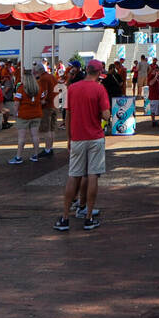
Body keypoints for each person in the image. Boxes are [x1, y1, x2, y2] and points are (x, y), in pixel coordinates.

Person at [55, 59, 110, 231]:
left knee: (74, 175)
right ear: (99, 73)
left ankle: (65, 218)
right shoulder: (100, 89)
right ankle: (88, 216)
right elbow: (106, 115)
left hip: (77, 137)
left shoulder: (73, 88)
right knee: (93, 175)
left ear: (86, 70)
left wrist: (69, 138)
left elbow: (68, 114)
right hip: (95, 137)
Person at [10, 71, 42, 164]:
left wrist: (15, 114)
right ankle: (35, 155)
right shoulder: (38, 88)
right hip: (36, 114)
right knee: (35, 136)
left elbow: (16, 104)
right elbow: (42, 101)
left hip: (24, 115)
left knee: (21, 138)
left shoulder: (21, 89)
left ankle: (18, 157)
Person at [36, 62, 57, 158]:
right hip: (54, 105)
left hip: (47, 106)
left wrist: (41, 100)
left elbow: (43, 92)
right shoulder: (52, 77)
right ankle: (50, 148)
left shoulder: (43, 79)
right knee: (52, 128)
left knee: (46, 129)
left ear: (39, 71)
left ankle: (47, 149)